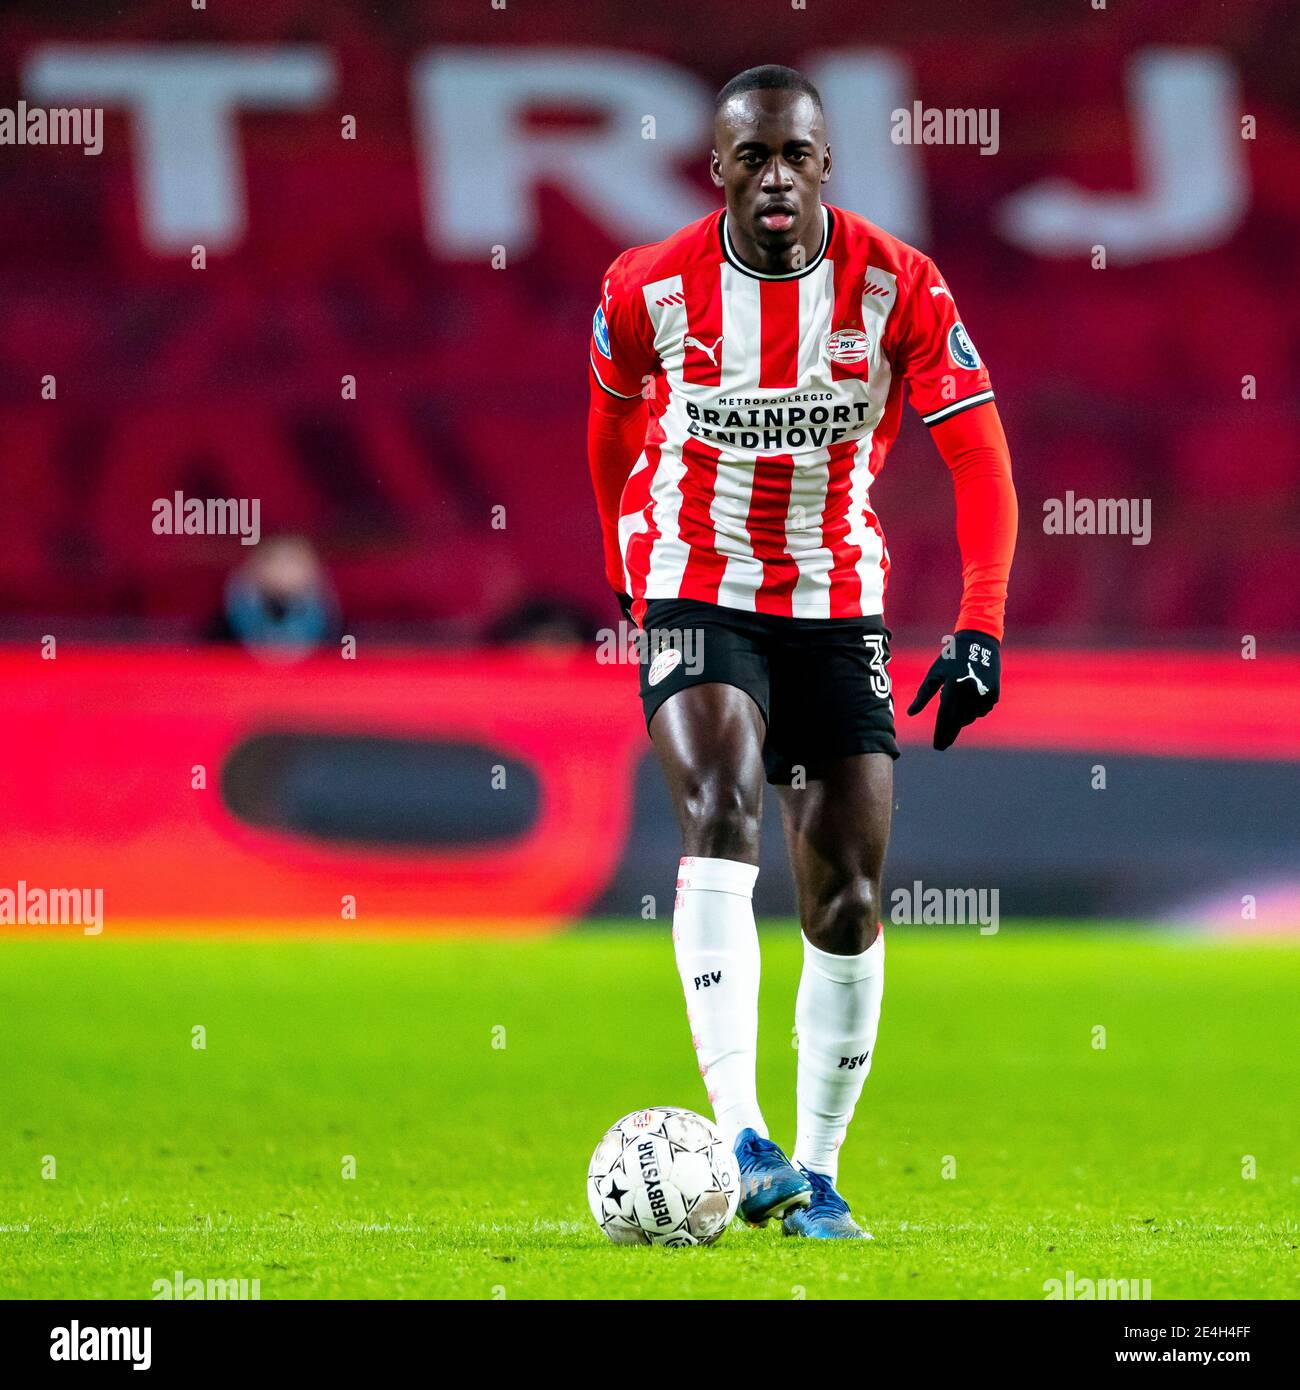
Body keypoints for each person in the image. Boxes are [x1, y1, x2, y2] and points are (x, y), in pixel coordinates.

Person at [586, 65, 1018, 1238]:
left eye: (795, 155)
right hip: (693, 581)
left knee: (847, 897)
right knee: (721, 806)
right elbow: (612, 427)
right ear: (715, 167)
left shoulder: (897, 284)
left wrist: (978, 623)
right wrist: (629, 568)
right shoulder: (647, 287)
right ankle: (740, 1133)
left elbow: (978, 457)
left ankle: (817, 1177)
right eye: (750, 156)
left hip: (835, 595)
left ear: (827, 163)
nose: (774, 176)